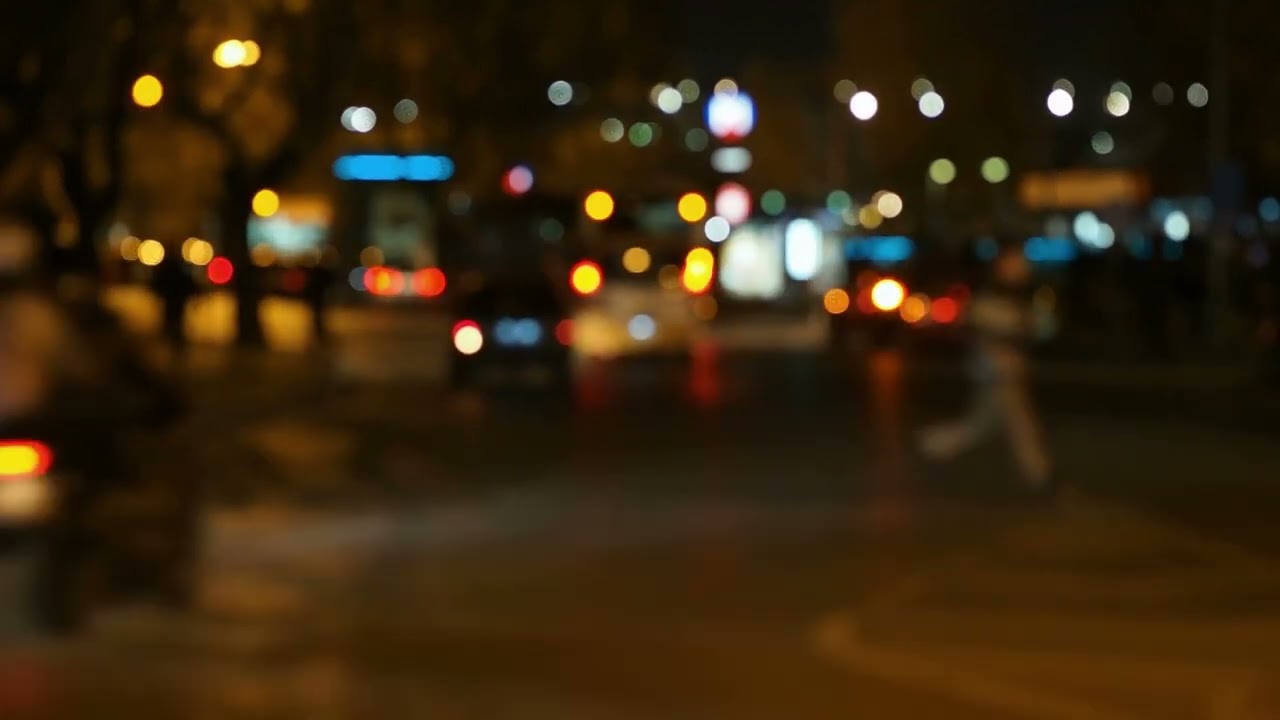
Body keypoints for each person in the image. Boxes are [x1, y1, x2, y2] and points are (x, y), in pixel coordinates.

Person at [917, 240, 1055, 495]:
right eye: (1016, 266)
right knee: (1019, 428)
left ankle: (930, 445)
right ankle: (1041, 480)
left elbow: (1037, 330)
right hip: (996, 376)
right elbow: (1004, 331)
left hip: (1002, 375)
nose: (1022, 271)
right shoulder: (989, 301)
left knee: (983, 426)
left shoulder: (1015, 301)